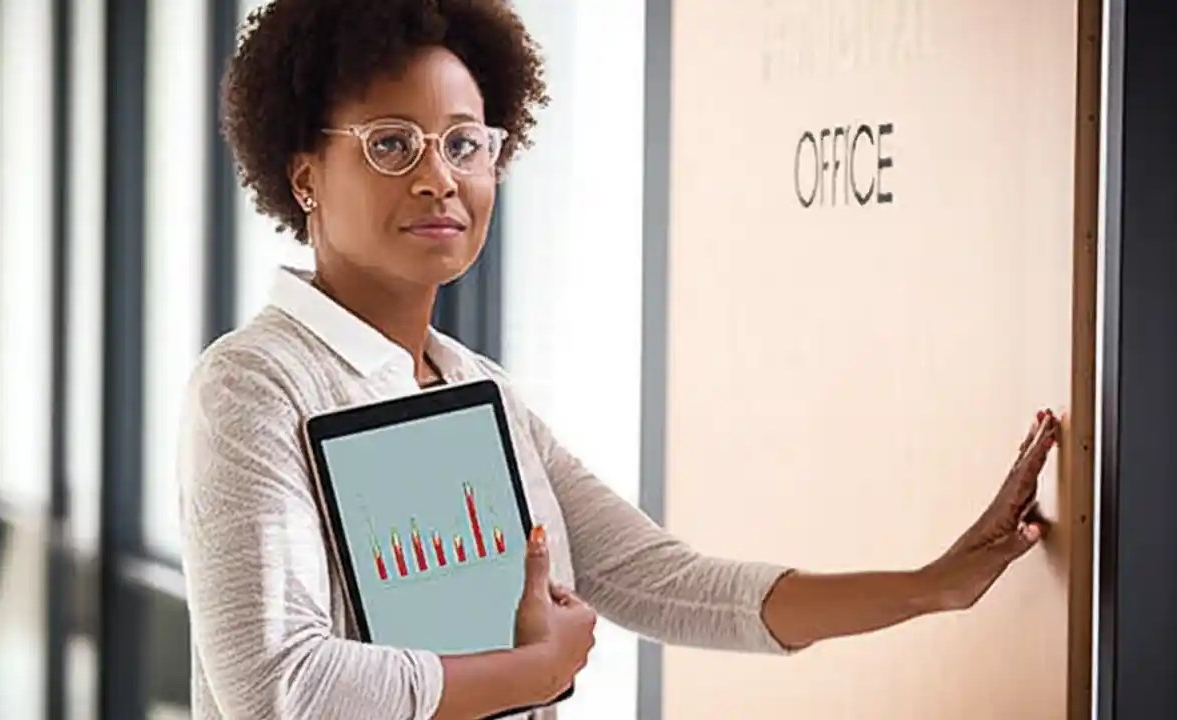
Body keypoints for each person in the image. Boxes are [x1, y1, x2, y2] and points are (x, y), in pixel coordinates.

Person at [177, 1, 1061, 718]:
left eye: (464, 144)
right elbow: (281, 689)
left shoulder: (476, 391)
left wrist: (932, 587)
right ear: (302, 176)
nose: (439, 178)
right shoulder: (257, 386)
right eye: (392, 144)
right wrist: (532, 673)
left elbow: (668, 584)